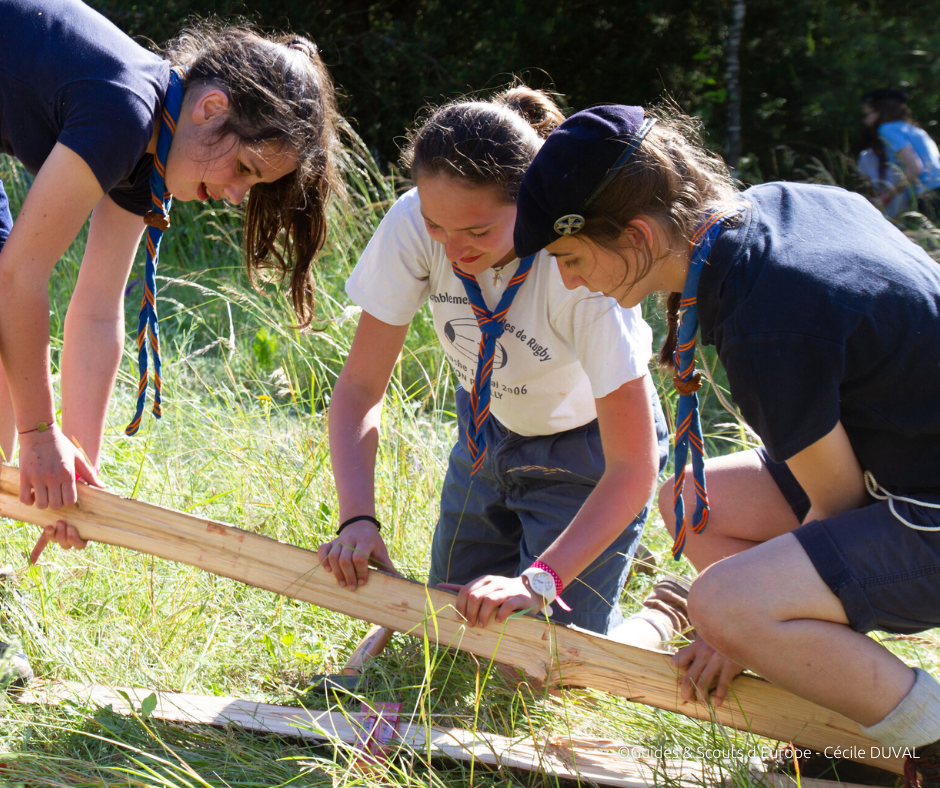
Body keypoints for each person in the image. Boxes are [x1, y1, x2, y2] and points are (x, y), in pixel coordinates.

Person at [513, 104, 940, 784]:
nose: (568, 280)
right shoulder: (772, 209)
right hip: (904, 463)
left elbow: (835, 501)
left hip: (923, 505)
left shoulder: (766, 318)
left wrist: (732, 631)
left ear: (638, 234)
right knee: (690, 504)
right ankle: (847, 722)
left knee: (724, 603)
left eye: (569, 257)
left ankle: (921, 744)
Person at [0, 0, 341, 681]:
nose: (239, 195)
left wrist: (76, 482)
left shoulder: (151, 152)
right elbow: (21, 278)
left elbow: (96, 309)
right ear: (212, 109)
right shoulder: (124, 106)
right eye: (245, 170)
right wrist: (40, 434)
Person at [317, 87, 669, 639]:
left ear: (529, 201)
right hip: (486, 430)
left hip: (590, 453)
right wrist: (357, 517)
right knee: (456, 634)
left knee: (544, 662)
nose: (453, 251)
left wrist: (541, 580)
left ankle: (665, 609)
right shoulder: (414, 222)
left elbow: (634, 466)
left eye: (478, 231)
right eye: (438, 227)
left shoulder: (580, 271)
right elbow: (361, 387)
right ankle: (601, 554)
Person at [861, 88, 940, 219]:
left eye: (866, 114)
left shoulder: (886, 129)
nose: (865, 120)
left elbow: (914, 168)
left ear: (879, 111)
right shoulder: (913, 129)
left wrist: (885, 199)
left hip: (931, 195)